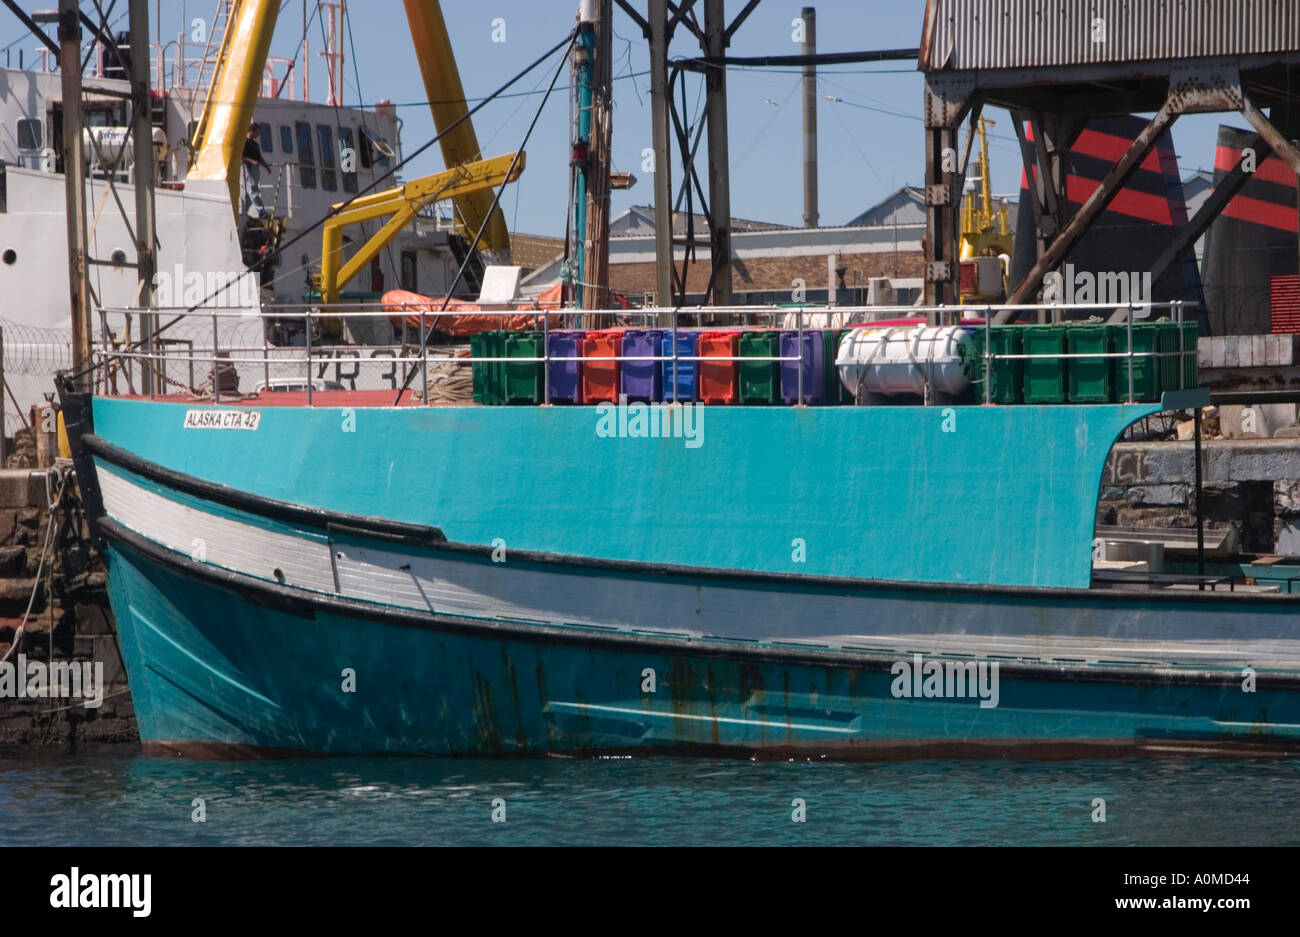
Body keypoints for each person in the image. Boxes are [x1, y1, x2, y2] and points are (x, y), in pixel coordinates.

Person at [241, 125, 270, 221]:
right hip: (249, 168)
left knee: (249, 192)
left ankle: (243, 211)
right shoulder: (244, 142)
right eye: (257, 132)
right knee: (253, 190)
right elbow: (242, 157)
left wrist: (266, 167)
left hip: (255, 170)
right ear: (252, 131)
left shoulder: (255, 144)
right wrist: (252, 162)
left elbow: (259, 158)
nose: (258, 134)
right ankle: (261, 211)